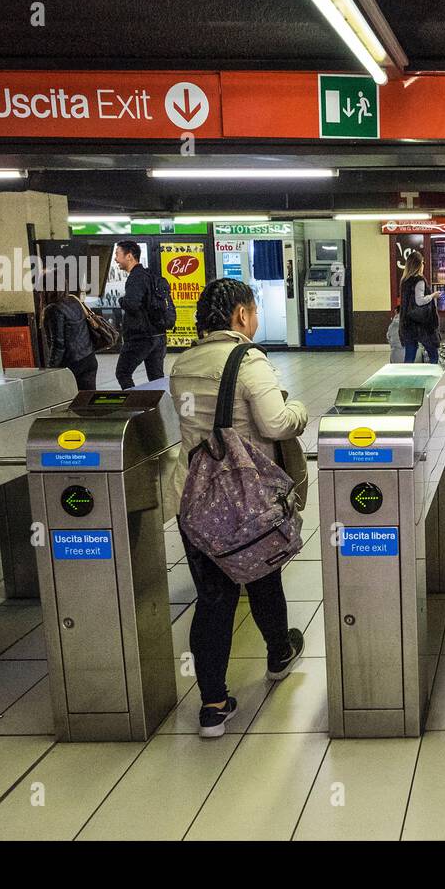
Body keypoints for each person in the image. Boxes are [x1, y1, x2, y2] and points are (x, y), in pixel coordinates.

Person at [168, 278, 310, 738]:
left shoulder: (183, 363)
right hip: (246, 501)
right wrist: (301, 409)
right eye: (251, 310)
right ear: (240, 316)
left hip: (196, 498)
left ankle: (212, 704)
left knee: (213, 596)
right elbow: (276, 422)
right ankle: (278, 654)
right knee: (264, 574)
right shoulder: (248, 359)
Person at [114, 240, 167, 388]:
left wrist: (121, 300)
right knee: (156, 378)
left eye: (117, 254)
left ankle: (134, 405)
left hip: (141, 337)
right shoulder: (149, 275)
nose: (115, 259)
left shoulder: (135, 277)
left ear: (129, 256)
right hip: (158, 335)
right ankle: (161, 407)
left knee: (123, 373)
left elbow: (132, 304)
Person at [40, 281, 99, 391]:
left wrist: (51, 369)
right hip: (89, 358)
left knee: (70, 402)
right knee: (88, 401)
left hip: (72, 365)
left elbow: (58, 344)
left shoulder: (53, 309)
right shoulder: (74, 300)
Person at [399, 250, 440, 362]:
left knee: (409, 356)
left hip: (407, 323)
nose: (423, 265)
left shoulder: (405, 281)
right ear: (418, 264)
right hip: (421, 324)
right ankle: (434, 377)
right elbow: (420, 301)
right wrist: (433, 295)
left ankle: (407, 378)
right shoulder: (419, 280)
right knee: (433, 354)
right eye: (422, 262)